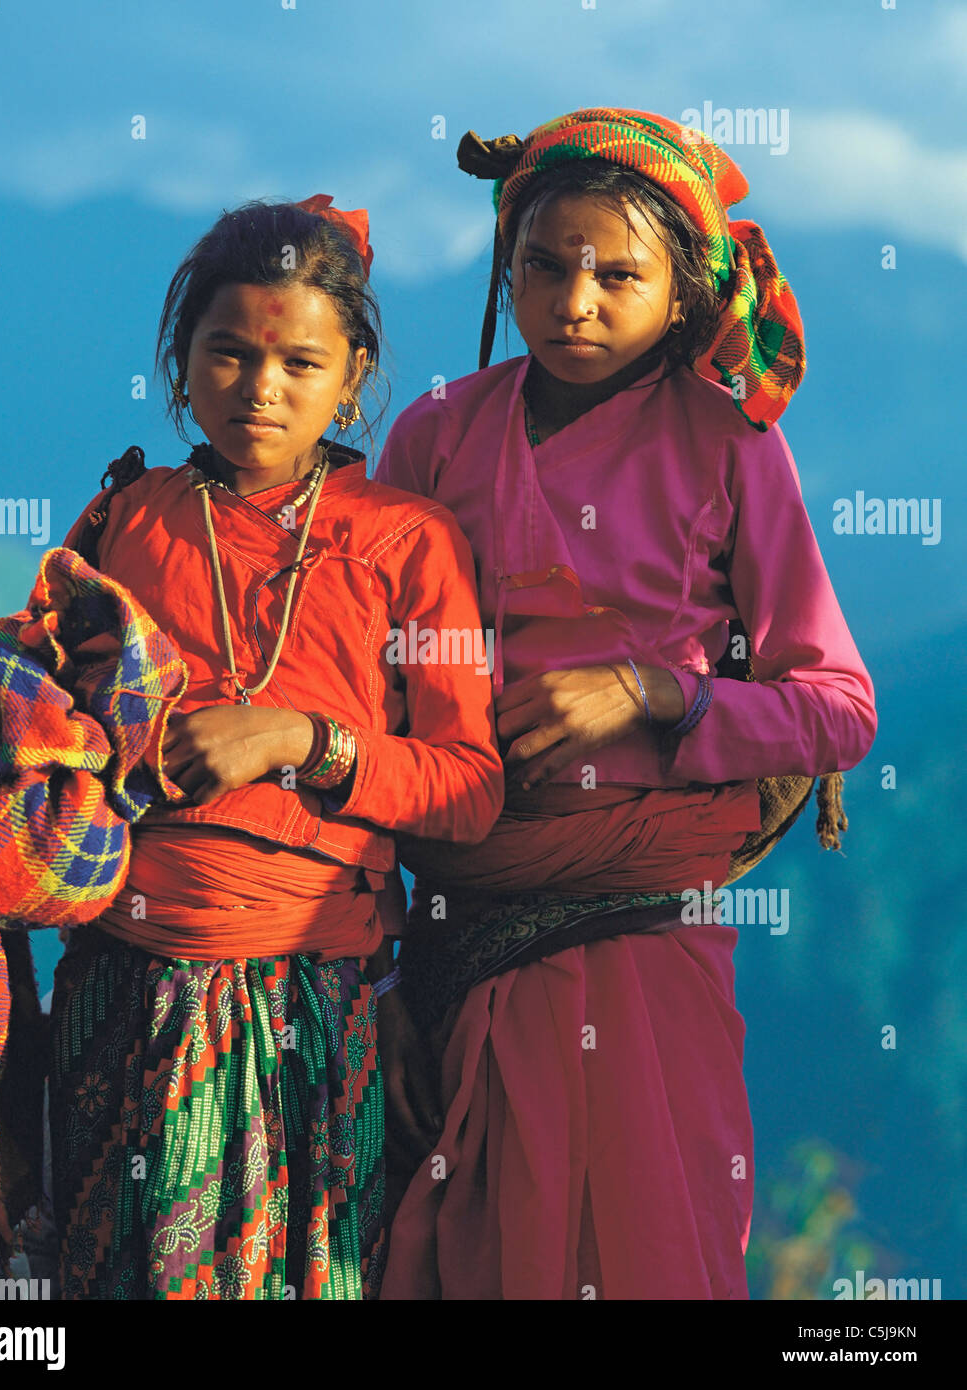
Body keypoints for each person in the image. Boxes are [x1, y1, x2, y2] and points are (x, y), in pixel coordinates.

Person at [373, 109, 877, 1300]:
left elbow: (838, 704)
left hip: (636, 937)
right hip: (453, 923)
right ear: (507, 263)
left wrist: (657, 693)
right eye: (544, 265)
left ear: (687, 291)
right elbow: (368, 703)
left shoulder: (730, 441)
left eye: (620, 273)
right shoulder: (436, 435)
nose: (576, 302)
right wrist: (377, 967)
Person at [46, 195, 504, 1300]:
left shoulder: (406, 542)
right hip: (118, 981)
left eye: (301, 362)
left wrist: (303, 739)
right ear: (181, 360)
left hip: (308, 991)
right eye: (230, 353)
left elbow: (470, 787)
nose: (261, 387)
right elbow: (41, 726)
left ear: (353, 377)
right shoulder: (123, 524)